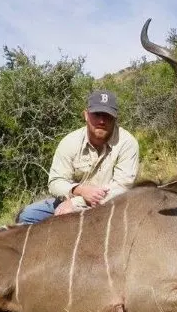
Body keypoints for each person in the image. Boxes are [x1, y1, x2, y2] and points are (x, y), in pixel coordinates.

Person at [17, 90, 139, 223]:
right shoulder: (70, 142)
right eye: (97, 114)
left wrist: (76, 203)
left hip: (108, 206)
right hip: (70, 199)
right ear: (86, 115)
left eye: (107, 115)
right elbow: (55, 182)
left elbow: (121, 188)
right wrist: (80, 190)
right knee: (28, 215)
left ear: (115, 119)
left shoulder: (127, 143)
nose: (102, 121)